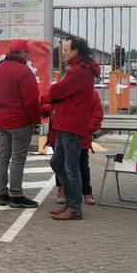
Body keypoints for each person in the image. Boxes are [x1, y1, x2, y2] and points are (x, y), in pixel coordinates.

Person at [47, 37, 100, 221]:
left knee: (71, 167)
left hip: (71, 124)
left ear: (76, 51)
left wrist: (55, 93)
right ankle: (71, 201)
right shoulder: (78, 70)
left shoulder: (79, 72)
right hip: (65, 123)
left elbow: (55, 92)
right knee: (57, 162)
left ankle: (75, 207)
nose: (64, 52)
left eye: (67, 49)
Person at [0, 40, 41, 208]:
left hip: (3, 120)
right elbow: (32, 100)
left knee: (3, 156)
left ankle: (2, 194)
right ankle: (16, 195)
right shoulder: (24, 72)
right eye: (26, 53)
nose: (27, 56)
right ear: (21, 53)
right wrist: (36, 120)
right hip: (20, 121)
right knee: (18, 158)